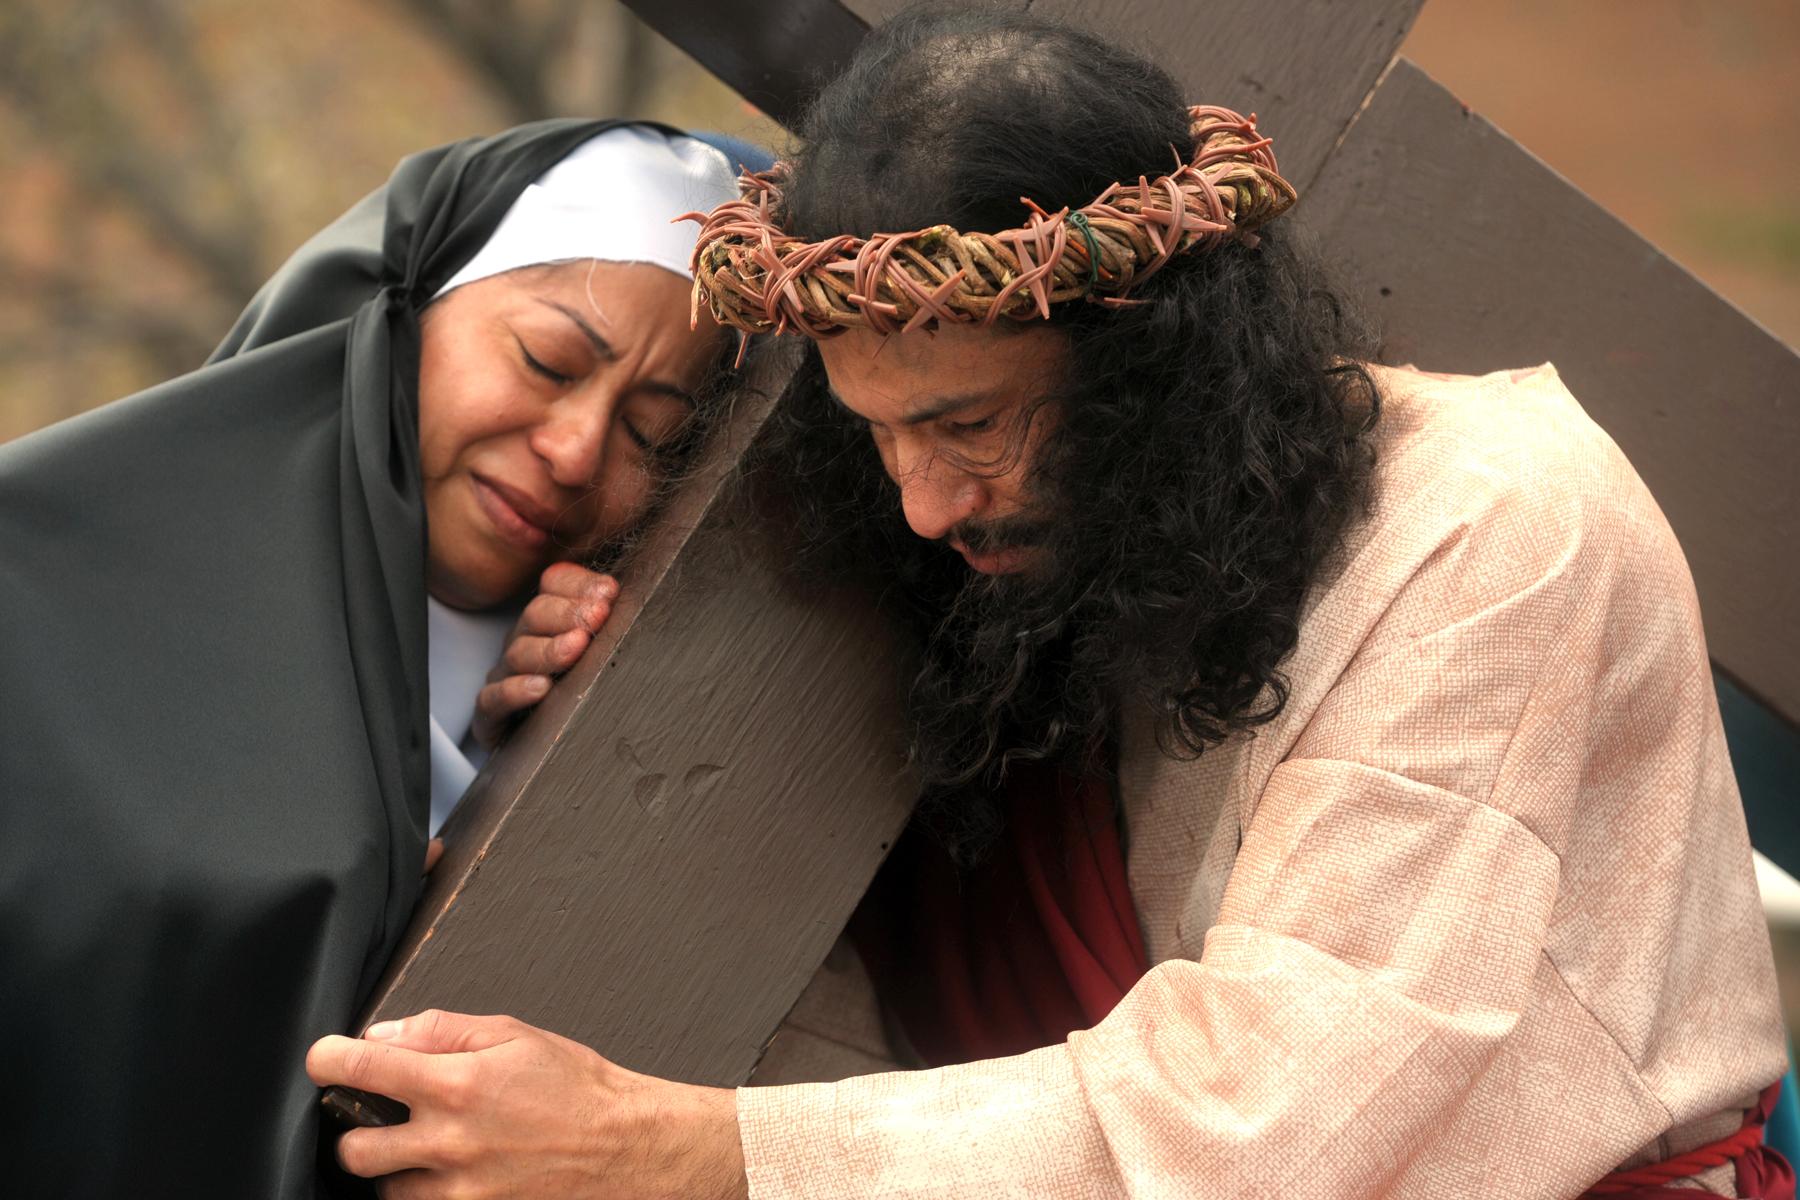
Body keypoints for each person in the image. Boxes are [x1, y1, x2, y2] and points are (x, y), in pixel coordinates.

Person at [304, 7, 1791, 1198]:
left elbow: (1270, 1121)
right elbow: (884, 1023)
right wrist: (553, 751)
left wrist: (681, 1152)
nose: (926, 506)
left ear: (1158, 362)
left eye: (966, 426)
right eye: (879, 438)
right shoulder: (1064, 564)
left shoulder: (1499, 520)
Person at [0, 121, 739, 1196]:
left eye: (650, 438)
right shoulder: (44, 574)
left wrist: (517, 767)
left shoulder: (566, 689)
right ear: (408, 314)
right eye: (547, 360)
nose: (576, 449)